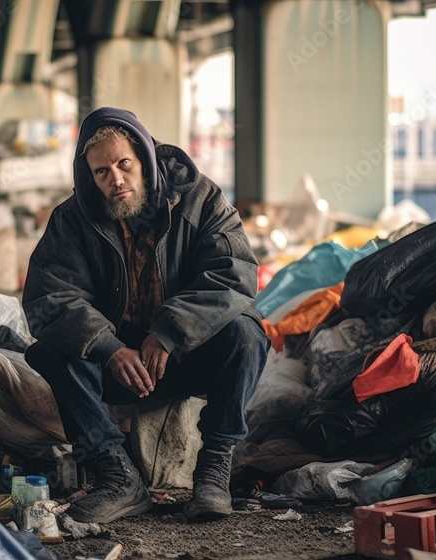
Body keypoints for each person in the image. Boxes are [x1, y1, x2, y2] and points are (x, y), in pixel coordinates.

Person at [22, 107, 269, 524]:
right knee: (50, 352)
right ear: (89, 178)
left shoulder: (201, 198)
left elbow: (234, 274)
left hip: (184, 356)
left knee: (247, 333)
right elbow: (50, 298)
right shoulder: (71, 220)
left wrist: (170, 332)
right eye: (101, 172)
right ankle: (117, 476)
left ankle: (213, 470)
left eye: (124, 165)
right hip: (116, 370)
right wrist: (109, 348)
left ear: (145, 159)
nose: (115, 180)